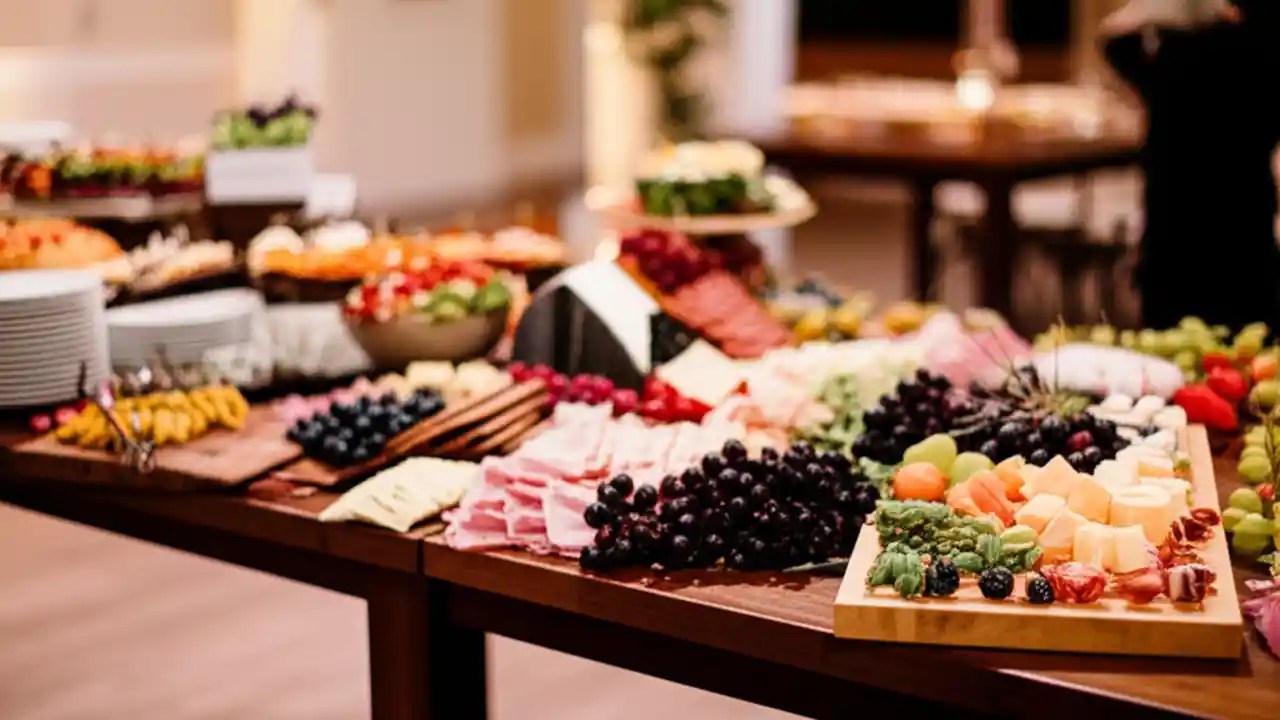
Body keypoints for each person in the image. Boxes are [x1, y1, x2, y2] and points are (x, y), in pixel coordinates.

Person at [1102, 0, 1280, 331]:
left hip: (1175, 232)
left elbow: (1117, 42)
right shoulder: (1265, 47)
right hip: (1245, 231)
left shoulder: (1179, 51)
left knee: (1172, 356)